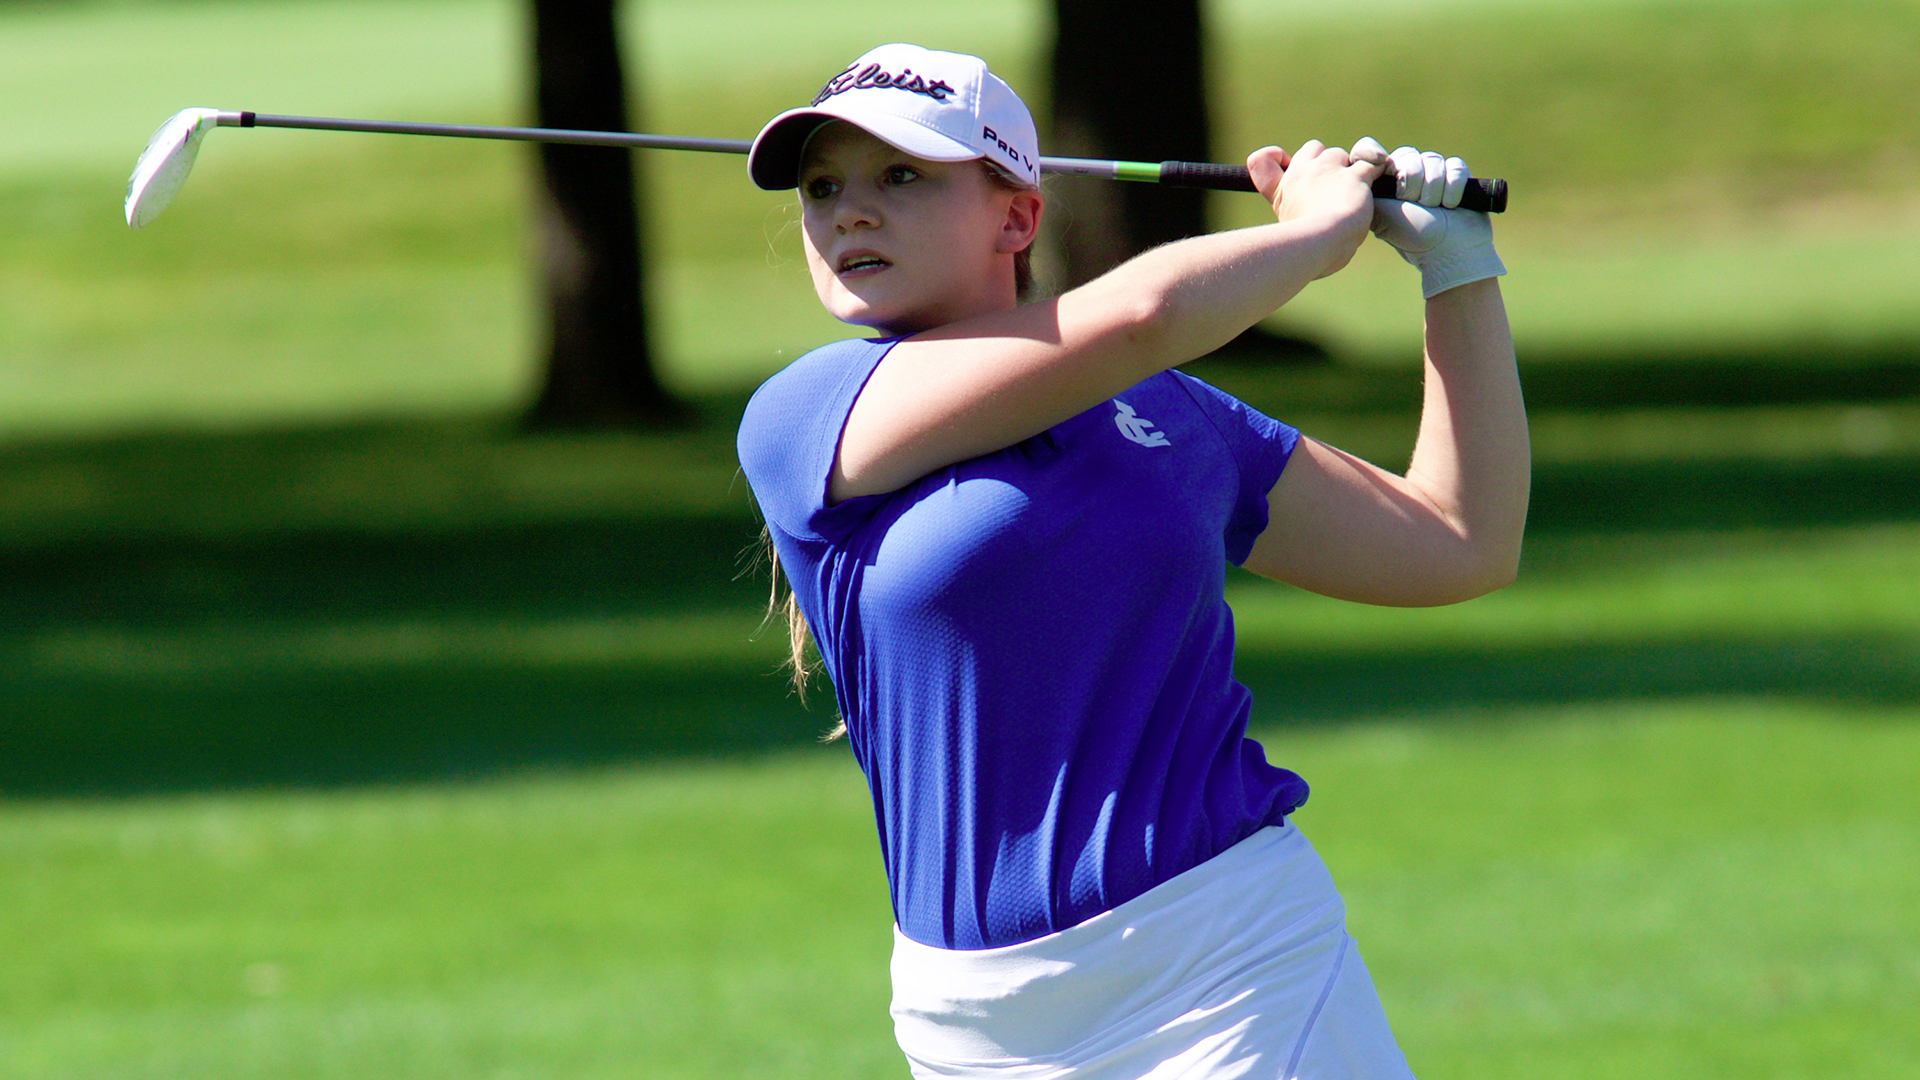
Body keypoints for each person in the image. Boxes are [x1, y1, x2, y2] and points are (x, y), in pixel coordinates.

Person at [736, 43, 1527, 1080]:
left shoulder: (1165, 410)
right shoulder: (806, 414)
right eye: (822, 187)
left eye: (902, 177)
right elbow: (1139, 317)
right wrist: (1313, 237)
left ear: (1017, 216)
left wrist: (1457, 272)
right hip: (977, 1030)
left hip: (1233, 964)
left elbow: (1457, 539)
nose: (849, 213)